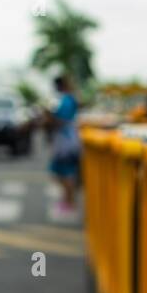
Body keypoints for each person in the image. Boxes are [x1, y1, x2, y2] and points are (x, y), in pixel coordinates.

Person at [47, 75, 81, 219]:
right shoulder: (65, 99)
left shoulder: (66, 100)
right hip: (63, 140)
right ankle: (67, 201)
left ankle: (70, 203)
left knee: (66, 173)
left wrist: (49, 117)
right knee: (61, 172)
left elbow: (61, 120)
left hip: (66, 141)